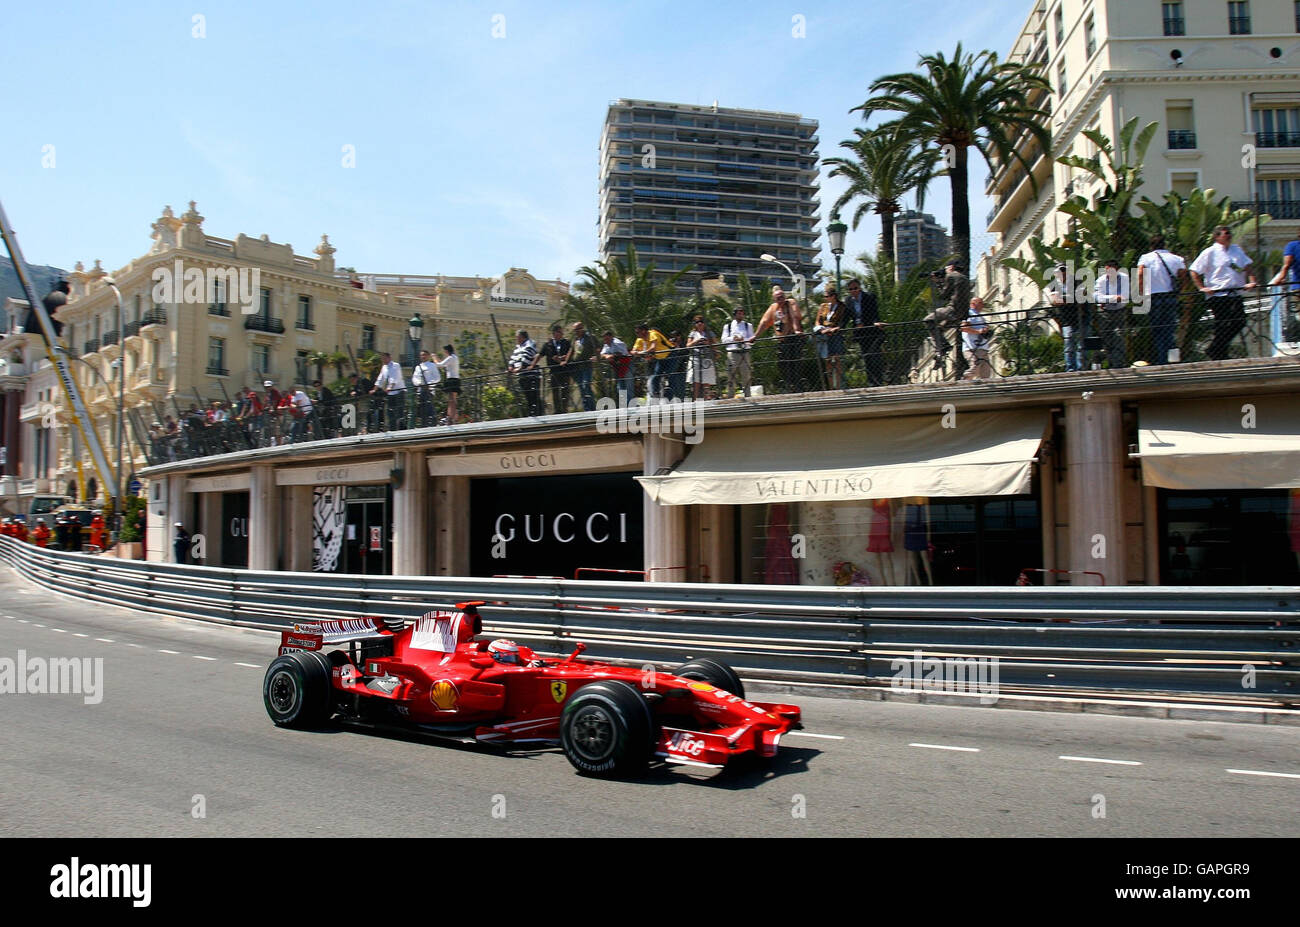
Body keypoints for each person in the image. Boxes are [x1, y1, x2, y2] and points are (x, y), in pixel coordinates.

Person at [1190, 225, 1257, 360]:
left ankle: (1215, 349)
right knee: (1222, 323)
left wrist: (1252, 281)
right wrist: (1201, 287)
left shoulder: (1236, 250)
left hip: (1235, 293)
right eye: (1225, 234)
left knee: (1240, 321)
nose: (1229, 236)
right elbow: (1194, 271)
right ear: (1217, 236)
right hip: (1218, 294)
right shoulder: (1210, 252)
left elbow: (1247, 266)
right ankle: (1220, 353)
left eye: (1229, 233)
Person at [1136, 233, 1188, 365]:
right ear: (1165, 244)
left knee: (1158, 330)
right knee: (1170, 330)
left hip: (1154, 296)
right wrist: (1181, 291)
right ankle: (1174, 360)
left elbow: (1141, 274)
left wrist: (1141, 293)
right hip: (1170, 296)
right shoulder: (1176, 258)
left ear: (1151, 245)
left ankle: (1163, 361)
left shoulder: (1146, 258)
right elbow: (1183, 275)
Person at [751, 285, 808, 392]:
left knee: (796, 364)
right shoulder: (773, 307)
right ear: (774, 299)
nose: (781, 299)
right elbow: (764, 322)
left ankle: (798, 387)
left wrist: (796, 331)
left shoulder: (790, 302)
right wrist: (755, 336)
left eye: (782, 297)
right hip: (782, 341)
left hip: (794, 338)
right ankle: (788, 387)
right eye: (778, 298)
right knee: (783, 365)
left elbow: (794, 317)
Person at [924, 261, 971, 376]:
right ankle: (942, 348)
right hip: (963, 313)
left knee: (928, 320)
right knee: (939, 329)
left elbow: (943, 295)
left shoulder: (951, 276)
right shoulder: (964, 278)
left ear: (951, 267)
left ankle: (942, 347)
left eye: (946, 269)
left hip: (952, 310)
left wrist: (937, 282)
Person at [844, 278, 885, 386]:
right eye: (851, 289)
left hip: (872, 331)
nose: (853, 291)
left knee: (875, 356)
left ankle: (879, 382)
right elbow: (846, 317)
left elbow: (874, 313)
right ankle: (871, 382)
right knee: (866, 357)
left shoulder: (869, 297)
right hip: (860, 334)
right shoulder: (848, 300)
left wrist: (874, 322)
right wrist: (839, 327)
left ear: (860, 287)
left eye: (855, 288)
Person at [1047, 263, 1086, 372]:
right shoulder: (1053, 285)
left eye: (1064, 270)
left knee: (1081, 345)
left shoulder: (1077, 282)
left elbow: (1082, 296)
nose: (1063, 273)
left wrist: (1064, 299)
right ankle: (1071, 368)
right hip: (1065, 319)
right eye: (1060, 271)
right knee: (1069, 343)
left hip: (1080, 317)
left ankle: (1081, 367)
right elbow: (1055, 300)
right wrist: (1072, 298)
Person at [1093, 259, 1132, 368]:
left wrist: (1106, 299)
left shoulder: (1124, 278)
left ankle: (1118, 364)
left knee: (1119, 336)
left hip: (1119, 311)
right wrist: (1114, 297)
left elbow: (1124, 296)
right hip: (1105, 313)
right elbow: (1097, 297)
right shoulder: (1101, 280)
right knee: (1106, 338)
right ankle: (1108, 361)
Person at [1269, 228, 1300, 343]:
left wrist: (1280, 278)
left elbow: (1286, 265)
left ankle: (1293, 337)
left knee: (1298, 315)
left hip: (1297, 287)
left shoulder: (1292, 246)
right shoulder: (1293, 246)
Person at [814, 285, 847, 390]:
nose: (825, 298)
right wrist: (821, 329)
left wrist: (835, 328)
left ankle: (838, 386)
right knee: (827, 360)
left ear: (833, 296)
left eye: (827, 296)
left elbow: (842, 322)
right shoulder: (823, 306)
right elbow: (817, 320)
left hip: (835, 334)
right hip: (824, 334)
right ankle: (830, 386)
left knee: (836, 359)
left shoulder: (842, 306)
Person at [631, 322, 672, 399]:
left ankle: (670, 395)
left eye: (637, 332)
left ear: (643, 331)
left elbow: (653, 348)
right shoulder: (640, 339)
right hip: (660, 358)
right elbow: (633, 351)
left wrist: (640, 353)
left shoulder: (653, 334)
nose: (636, 334)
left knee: (671, 376)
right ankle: (656, 395)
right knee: (655, 377)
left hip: (670, 355)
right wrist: (638, 353)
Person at [721, 306, 754, 397]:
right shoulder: (728, 326)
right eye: (738, 313)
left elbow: (752, 340)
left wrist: (744, 340)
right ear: (734, 314)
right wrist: (733, 339)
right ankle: (730, 396)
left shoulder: (748, 326)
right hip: (733, 353)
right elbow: (723, 340)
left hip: (745, 352)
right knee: (731, 376)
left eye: (742, 313)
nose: (741, 315)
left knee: (746, 376)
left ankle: (748, 396)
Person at [508, 329, 543, 416]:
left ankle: (537, 414)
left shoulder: (530, 343)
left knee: (534, 396)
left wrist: (520, 367)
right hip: (522, 375)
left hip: (531, 376)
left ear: (522, 337)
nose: (517, 339)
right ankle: (532, 413)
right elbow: (514, 357)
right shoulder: (518, 347)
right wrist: (510, 367)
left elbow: (527, 355)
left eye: (518, 337)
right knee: (527, 396)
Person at [539, 324, 572, 413]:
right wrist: (531, 365)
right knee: (555, 391)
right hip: (554, 371)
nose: (562, 334)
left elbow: (570, 352)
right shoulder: (548, 344)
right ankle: (557, 410)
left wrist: (563, 358)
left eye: (562, 332)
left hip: (565, 370)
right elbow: (540, 355)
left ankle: (564, 409)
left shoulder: (566, 342)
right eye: (560, 332)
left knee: (565, 390)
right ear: (554, 333)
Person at [567, 323, 599, 412]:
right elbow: (571, 351)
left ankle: (592, 409)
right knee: (582, 388)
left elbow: (597, 348)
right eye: (574, 330)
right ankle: (587, 409)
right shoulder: (575, 339)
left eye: (577, 330)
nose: (576, 332)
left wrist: (596, 356)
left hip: (587, 366)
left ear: (582, 328)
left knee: (586, 386)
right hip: (577, 367)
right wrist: (565, 361)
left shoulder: (590, 337)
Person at [371, 352, 407, 431]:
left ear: (389, 358)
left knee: (400, 411)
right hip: (390, 393)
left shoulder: (395, 365)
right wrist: (374, 389)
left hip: (399, 391)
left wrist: (390, 387)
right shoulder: (384, 367)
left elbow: (394, 378)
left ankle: (402, 429)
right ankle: (392, 429)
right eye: (382, 359)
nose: (383, 360)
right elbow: (380, 379)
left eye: (384, 358)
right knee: (390, 412)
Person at [960, 297, 994, 380]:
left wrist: (986, 330)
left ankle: (986, 390)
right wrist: (979, 331)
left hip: (983, 348)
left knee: (986, 372)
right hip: (972, 348)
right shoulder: (969, 314)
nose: (982, 305)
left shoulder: (980, 316)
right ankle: (963, 381)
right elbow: (964, 328)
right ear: (973, 304)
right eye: (980, 303)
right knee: (974, 367)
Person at [685, 316, 717, 400]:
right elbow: (688, 345)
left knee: (706, 380)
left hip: (707, 358)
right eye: (697, 322)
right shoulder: (693, 334)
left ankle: (706, 398)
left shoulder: (710, 333)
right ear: (695, 324)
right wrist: (696, 341)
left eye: (701, 322)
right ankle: (695, 399)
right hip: (696, 357)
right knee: (696, 381)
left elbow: (715, 345)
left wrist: (707, 342)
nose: (699, 323)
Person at [599, 331, 633, 406]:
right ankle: (624, 406)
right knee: (620, 388)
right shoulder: (606, 344)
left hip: (626, 365)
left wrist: (611, 356)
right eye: (604, 340)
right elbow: (602, 354)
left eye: (607, 339)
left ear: (611, 337)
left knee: (628, 386)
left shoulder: (618, 343)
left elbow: (622, 354)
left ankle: (631, 407)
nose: (605, 341)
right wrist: (606, 356)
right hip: (617, 368)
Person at [410, 349, 441, 427]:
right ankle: (423, 424)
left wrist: (429, 384)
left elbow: (437, 378)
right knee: (422, 409)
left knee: (429, 407)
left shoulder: (432, 365)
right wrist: (419, 384)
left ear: (428, 356)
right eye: (421, 355)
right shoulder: (418, 367)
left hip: (429, 390)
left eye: (424, 355)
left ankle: (432, 423)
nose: (423, 356)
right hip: (420, 390)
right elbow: (414, 378)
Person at [435, 344, 460, 424]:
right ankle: (452, 416)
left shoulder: (450, 358)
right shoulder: (454, 357)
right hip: (456, 379)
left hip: (451, 380)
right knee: (453, 399)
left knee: (451, 399)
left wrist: (434, 358)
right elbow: (443, 364)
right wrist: (438, 360)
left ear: (446, 351)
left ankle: (451, 417)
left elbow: (440, 365)